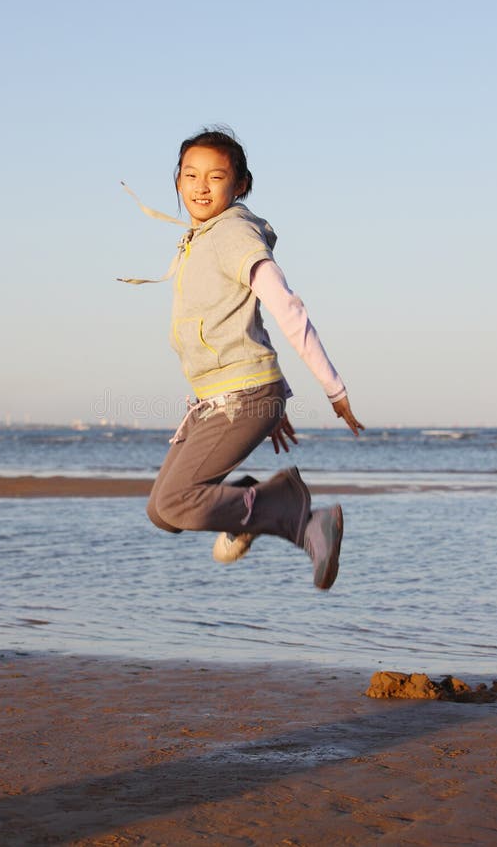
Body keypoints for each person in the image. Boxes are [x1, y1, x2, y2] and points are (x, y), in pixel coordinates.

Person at [119, 127, 364, 590]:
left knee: (176, 503)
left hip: (242, 396)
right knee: (163, 512)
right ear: (176, 181)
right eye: (190, 175)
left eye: (216, 176)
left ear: (241, 184)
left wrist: (333, 389)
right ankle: (253, 501)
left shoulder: (232, 234)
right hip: (228, 397)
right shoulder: (203, 238)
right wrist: (273, 398)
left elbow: (286, 308)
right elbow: (246, 323)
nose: (200, 186)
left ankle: (298, 518)